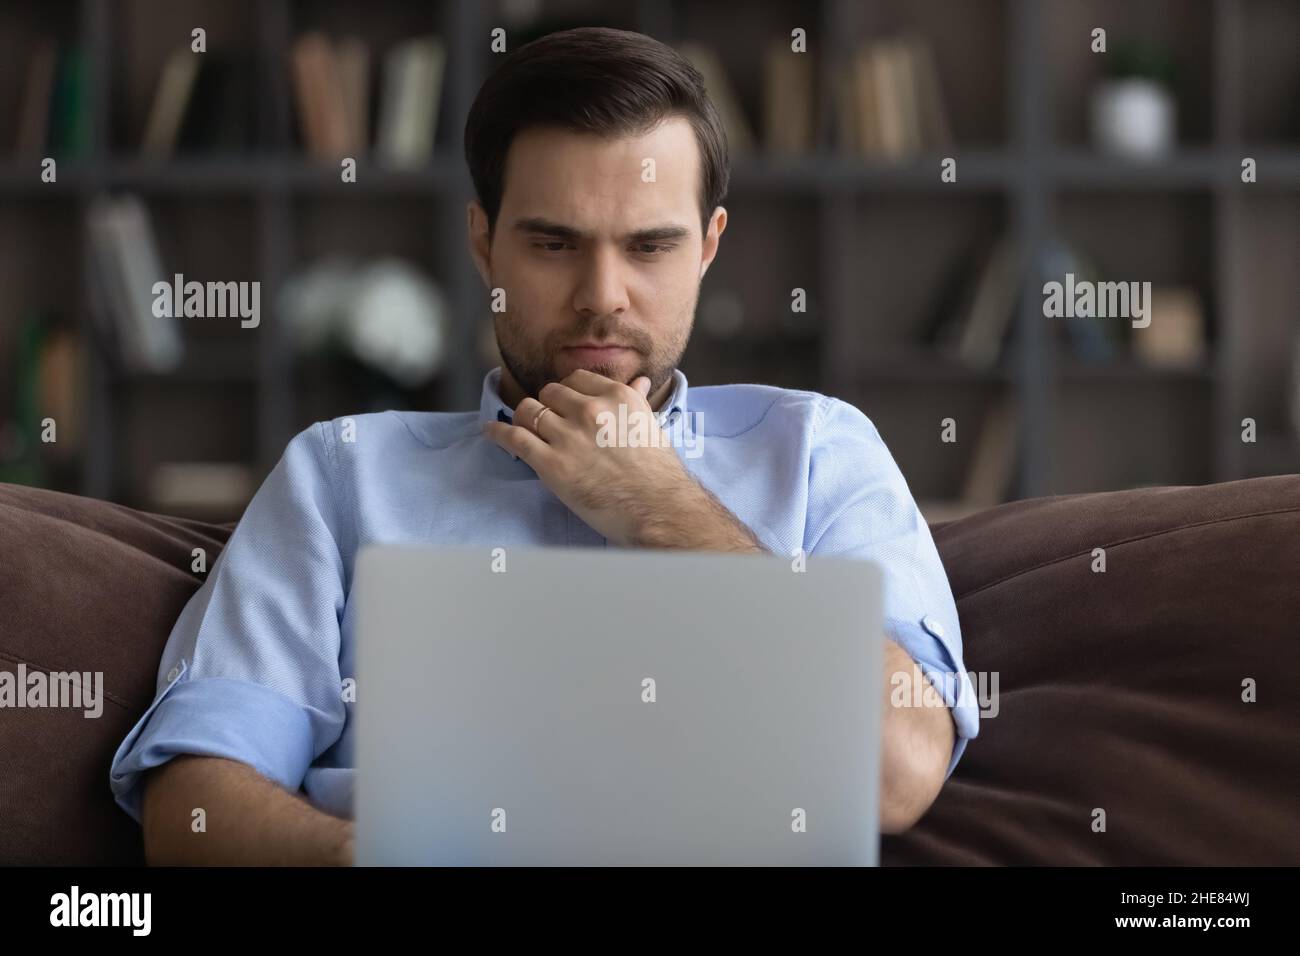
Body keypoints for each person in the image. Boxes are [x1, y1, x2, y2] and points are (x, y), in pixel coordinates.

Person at [110, 26, 979, 865]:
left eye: (650, 245)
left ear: (709, 247)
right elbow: (190, 809)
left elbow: (897, 774)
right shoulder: (340, 475)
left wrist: (661, 508)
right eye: (554, 243)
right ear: (484, 243)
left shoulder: (820, 452)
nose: (603, 297)